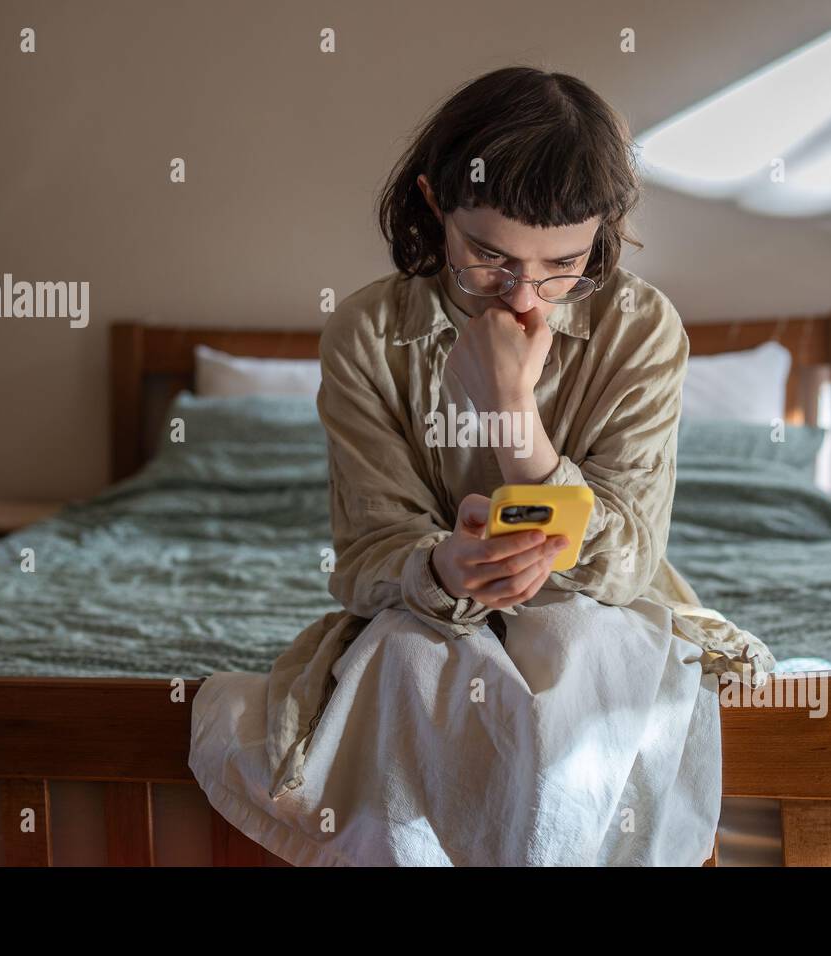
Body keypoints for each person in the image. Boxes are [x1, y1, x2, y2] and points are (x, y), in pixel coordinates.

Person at [189, 65, 774, 866]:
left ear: (605, 228)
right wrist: (442, 564)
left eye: (565, 263)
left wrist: (508, 407)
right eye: (489, 257)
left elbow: (626, 559)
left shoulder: (639, 331)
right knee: (407, 655)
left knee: (581, 644)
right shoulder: (367, 334)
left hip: (594, 604)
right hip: (424, 616)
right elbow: (367, 556)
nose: (526, 297)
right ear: (436, 204)